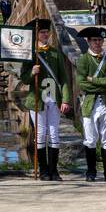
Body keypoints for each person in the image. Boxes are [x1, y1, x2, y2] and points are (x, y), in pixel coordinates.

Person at [21, 18, 72, 181]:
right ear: (36, 34)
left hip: (54, 100)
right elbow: (24, 78)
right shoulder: (30, 54)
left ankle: (53, 170)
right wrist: (32, 72)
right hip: (37, 99)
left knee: (54, 133)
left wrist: (65, 100)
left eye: (46, 32)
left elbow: (63, 78)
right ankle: (43, 170)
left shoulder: (55, 53)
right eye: (42, 32)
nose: (45, 35)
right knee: (41, 134)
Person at [75, 27, 106, 183]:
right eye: (94, 40)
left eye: (100, 40)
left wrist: (93, 80)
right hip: (90, 103)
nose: (98, 43)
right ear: (88, 41)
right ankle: (91, 171)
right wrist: (103, 84)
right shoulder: (83, 60)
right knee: (90, 139)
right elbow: (82, 84)